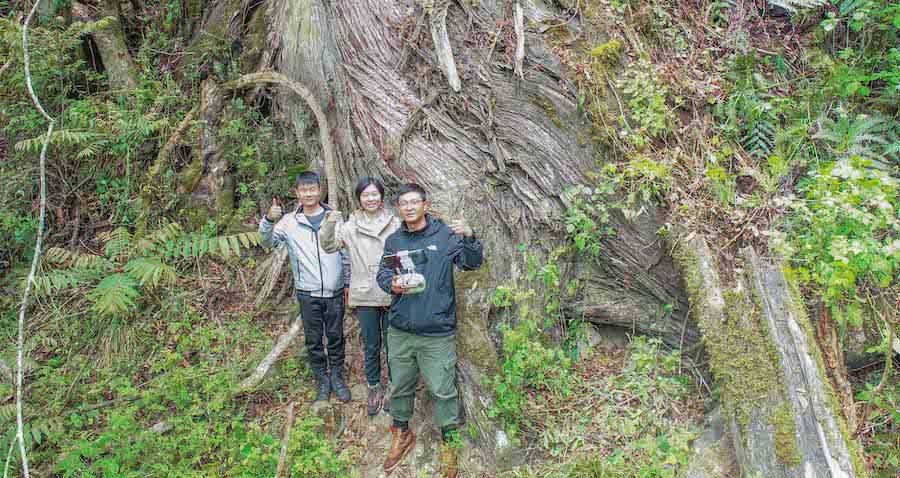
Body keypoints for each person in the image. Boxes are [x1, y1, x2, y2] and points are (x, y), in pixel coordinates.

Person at [376, 183, 484, 478]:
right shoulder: (394, 240)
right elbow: (383, 273)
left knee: (442, 390)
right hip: (400, 329)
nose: (409, 207)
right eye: (403, 203)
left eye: (414, 202)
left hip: (437, 331)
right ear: (398, 208)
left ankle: (450, 443)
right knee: (400, 386)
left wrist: (471, 237)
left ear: (425, 204)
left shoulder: (445, 236)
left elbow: (472, 263)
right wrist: (391, 284)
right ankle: (402, 432)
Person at [258, 171, 352, 403]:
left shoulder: (335, 217)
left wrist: (348, 282)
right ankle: (322, 379)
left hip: (335, 290)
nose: (309, 193)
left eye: (313, 189)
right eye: (304, 190)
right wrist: (269, 220)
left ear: (320, 190)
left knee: (336, 336)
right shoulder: (289, 222)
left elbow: (346, 253)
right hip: (307, 292)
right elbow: (266, 241)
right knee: (313, 339)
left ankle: (338, 377)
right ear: (297, 193)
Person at [320, 177, 401, 416]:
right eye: (366, 195)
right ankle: (374, 386)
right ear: (359, 198)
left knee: (394, 343)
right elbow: (329, 246)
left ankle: (395, 388)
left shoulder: (395, 223)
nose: (371, 198)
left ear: (382, 196)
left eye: (375, 194)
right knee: (372, 344)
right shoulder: (349, 227)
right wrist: (328, 224)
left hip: (392, 291)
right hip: (365, 293)